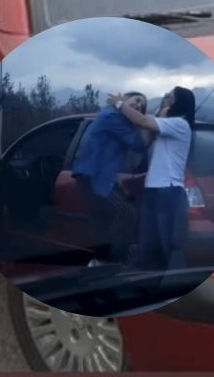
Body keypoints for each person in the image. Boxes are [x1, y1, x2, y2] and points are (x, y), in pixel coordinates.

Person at [111, 86, 195, 273]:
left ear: (177, 102)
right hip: (154, 190)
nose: (165, 98)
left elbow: (142, 122)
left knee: (170, 245)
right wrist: (156, 114)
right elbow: (145, 132)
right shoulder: (166, 128)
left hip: (169, 191)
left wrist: (119, 103)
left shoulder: (179, 124)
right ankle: (146, 281)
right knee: (148, 243)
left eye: (169, 96)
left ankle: (174, 283)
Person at [71, 92, 149, 267]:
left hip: (95, 176)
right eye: (136, 100)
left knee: (103, 223)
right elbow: (138, 144)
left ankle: (99, 262)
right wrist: (142, 123)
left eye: (142, 107)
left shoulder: (115, 117)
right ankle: (111, 261)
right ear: (125, 98)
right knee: (128, 213)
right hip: (94, 176)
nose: (138, 106)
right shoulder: (113, 116)